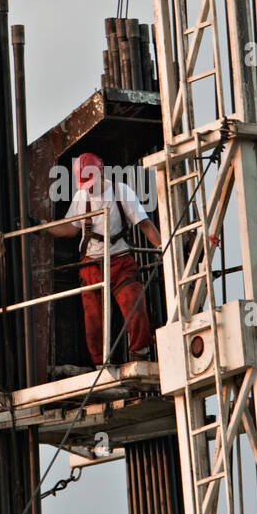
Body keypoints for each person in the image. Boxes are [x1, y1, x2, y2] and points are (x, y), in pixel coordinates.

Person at [48, 151, 161, 367]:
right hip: (91, 265)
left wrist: (161, 245)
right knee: (94, 321)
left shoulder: (120, 191)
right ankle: (101, 365)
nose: (89, 187)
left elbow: (144, 224)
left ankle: (140, 353)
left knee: (134, 305)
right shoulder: (81, 198)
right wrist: (42, 228)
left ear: (100, 172)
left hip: (120, 261)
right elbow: (70, 229)